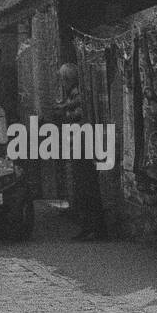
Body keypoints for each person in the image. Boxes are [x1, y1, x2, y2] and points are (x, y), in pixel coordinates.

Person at [51, 62, 107, 241]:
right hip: (81, 144)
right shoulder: (73, 94)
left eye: (63, 79)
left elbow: (78, 115)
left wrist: (64, 111)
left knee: (86, 186)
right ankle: (92, 227)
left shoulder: (76, 93)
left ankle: (94, 227)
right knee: (86, 187)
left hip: (83, 145)